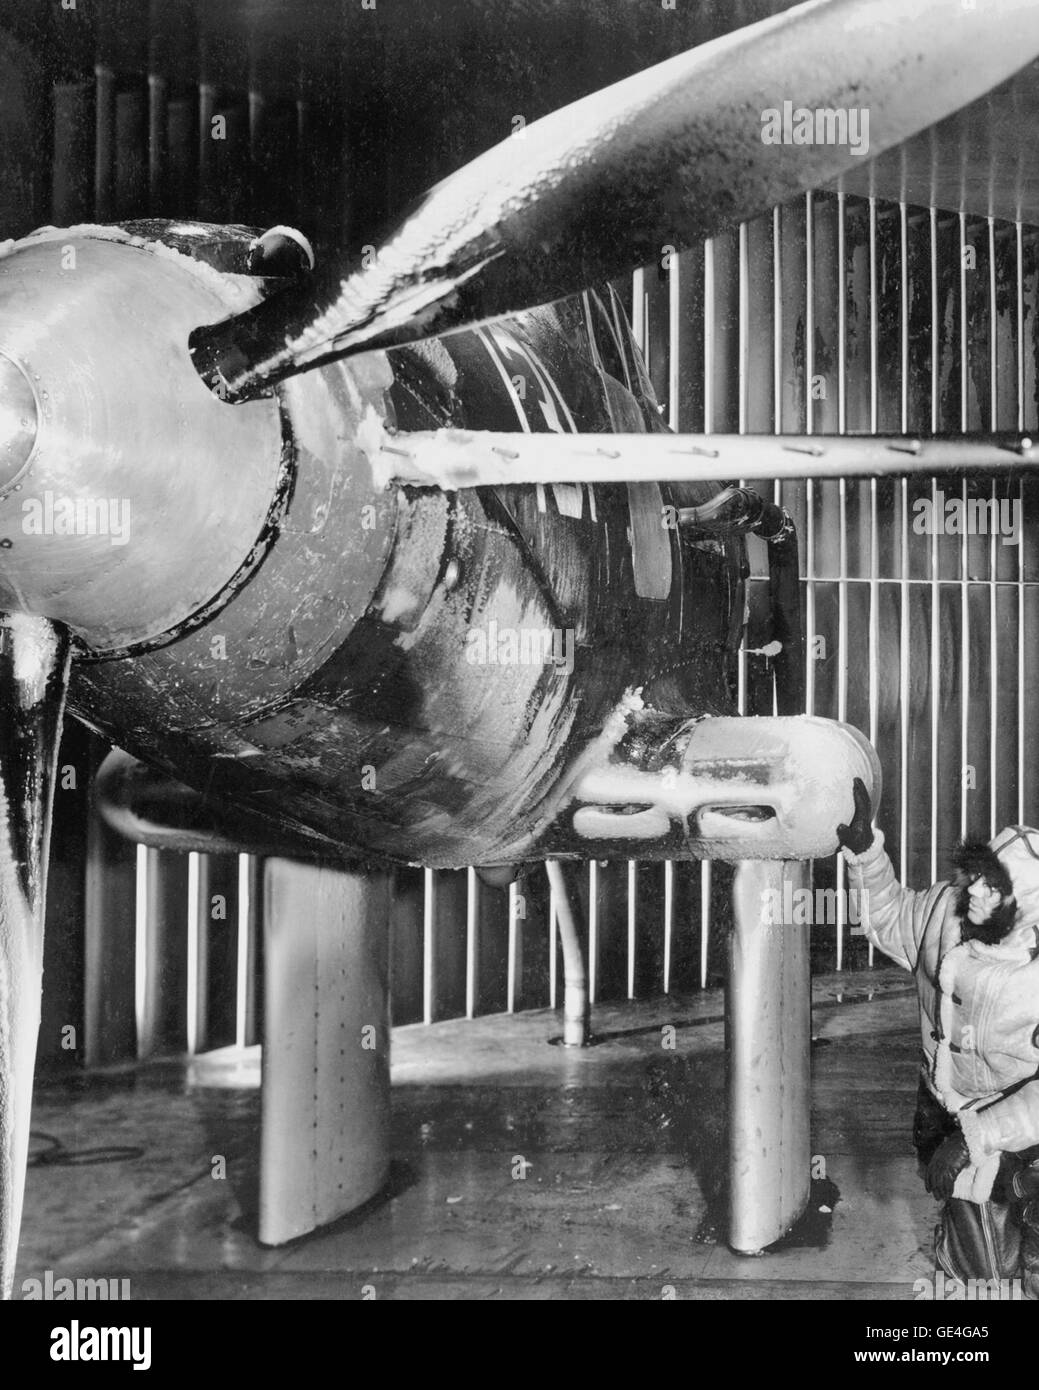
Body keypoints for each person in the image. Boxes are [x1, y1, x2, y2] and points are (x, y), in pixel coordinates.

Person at [837, 778, 1039, 1297]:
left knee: (1010, 1264)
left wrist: (976, 1138)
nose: (973, 891)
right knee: (976, 1255)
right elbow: (887, 915)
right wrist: (865, 851)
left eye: (994, 887)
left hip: (1018, 1125)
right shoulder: (945, 913)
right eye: (976, 876)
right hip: (942, 1111)